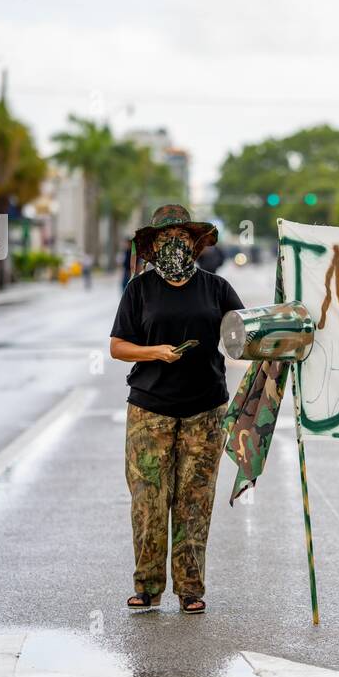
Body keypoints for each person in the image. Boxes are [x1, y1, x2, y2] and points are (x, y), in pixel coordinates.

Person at [109, 205, 244, 614]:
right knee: (149, 500)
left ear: (195, 243)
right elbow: (117, 347)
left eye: (182, 238)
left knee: (195, 501)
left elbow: (243, 332)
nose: (174, 245)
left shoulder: (217, 289)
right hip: (150, 411)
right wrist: (154, 353)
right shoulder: (139, 290)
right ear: (153, 246)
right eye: (166, 239)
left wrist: (278, 338)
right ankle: (147, 587)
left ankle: (190, 589)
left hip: (205, 411)